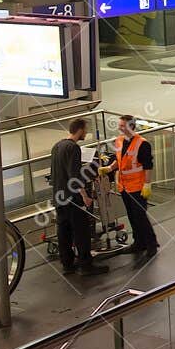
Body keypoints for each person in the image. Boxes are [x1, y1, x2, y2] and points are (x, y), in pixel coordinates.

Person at [49, 118, 100, 274]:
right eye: (85, 130)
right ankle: (86, 265)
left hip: (59, 196)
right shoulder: (73, 148)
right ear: (79, 130)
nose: (86, 133)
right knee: (81, 231)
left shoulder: (57, 146)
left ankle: (67, 264)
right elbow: (74, 176)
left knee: (63, 232)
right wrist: (84, 196)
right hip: (73, 199)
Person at [107, 114, 158, 262]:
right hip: (124, 187)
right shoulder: (119, 141)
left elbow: (148, 166)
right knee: (131, 216)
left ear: (131, 126)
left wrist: (147, 184)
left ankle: (151, 244)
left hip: (137, 187)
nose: (119, 128)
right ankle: (138, 242)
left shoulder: (142, 144)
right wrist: (110, 168)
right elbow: (119, 160)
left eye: (122, 125)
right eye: (120, 125)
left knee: (140, 216)